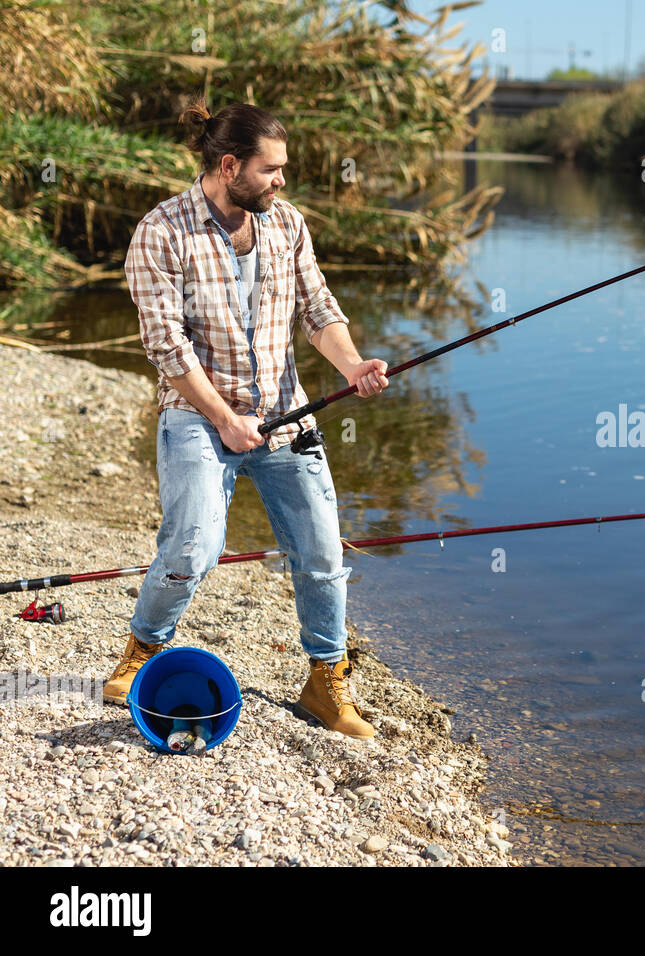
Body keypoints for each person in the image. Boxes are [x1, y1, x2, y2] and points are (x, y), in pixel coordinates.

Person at [107, 100, 389, 739]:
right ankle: (144, 648)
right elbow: (166, 347)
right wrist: (226, 419)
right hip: (197, 415)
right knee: (193, 546)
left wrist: (351, 366)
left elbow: (317, 308)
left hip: (286, 418)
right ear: (229, 165)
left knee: (321, 554)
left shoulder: (286, 225)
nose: (281, 180)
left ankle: (325, 682)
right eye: (271, 169)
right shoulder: (162, 231)